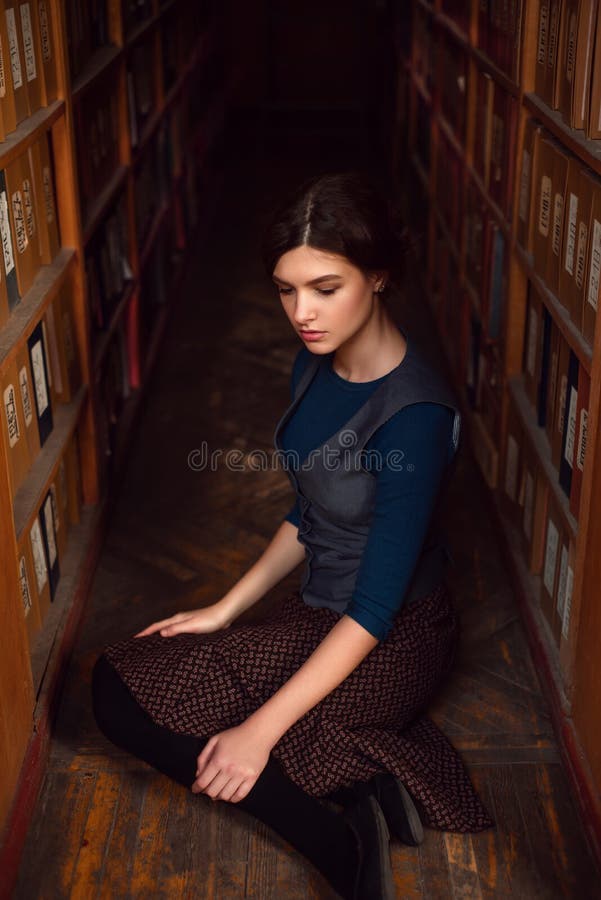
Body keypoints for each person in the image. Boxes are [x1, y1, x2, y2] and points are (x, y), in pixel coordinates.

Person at [92, 171, 494, 900]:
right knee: (118, 687)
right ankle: (360, 777)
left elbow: (375, 607)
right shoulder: (312, 364)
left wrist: (257, 734)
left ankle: (336, 838)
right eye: (286, 289)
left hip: (393, 632)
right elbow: (311, 513)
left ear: (377, 276)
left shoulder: (415, 417)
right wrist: (224, 608)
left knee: (261, 738)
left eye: (324, 287)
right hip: (315, 609)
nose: (301, 313)